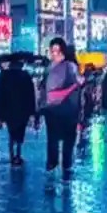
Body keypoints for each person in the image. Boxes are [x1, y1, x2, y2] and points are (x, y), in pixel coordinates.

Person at [42, 38, 82, 188]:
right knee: (52, 140)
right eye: (52, 51)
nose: (54, 54)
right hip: (52, 111)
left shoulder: (70, 66)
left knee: (68, 141)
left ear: (63, 52)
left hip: (68, 110)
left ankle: (66, 166)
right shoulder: (48, 68)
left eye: (57, 51)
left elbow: (80, 81)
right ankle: (52, 165)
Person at [0, 57, 37, 166]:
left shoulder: (4, 76)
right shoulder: (25, 76)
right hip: (22, 110)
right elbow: (31, 95)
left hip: (8, 110)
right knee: (20, 133)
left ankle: (12, 154)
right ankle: (18, 154)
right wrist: (32, 112)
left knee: (11, 132)